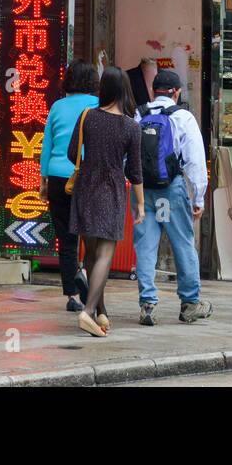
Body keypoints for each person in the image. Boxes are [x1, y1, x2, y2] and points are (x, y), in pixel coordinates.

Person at [70, 67, 144, 337]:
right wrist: (141, 204)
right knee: (105, 253)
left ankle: (101, 311)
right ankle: (88, 312)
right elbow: (135, 172)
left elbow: (71, 153)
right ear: (125, 90)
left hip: (85, 187)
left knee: (90, 253)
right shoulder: (131, 127)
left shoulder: (87, 116)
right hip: (111, 189)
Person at [133, 68, 211, 326]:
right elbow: (195, 162)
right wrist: (199, 198)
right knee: (182, 244)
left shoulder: (139, 114)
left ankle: (148, 305)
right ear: (176, 92)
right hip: (170, 191)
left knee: (146, 246)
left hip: (144, 192)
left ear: (154, 91)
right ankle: (190, 303)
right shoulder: (183, 117)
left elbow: (129, 157)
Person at [39, 61, 97, 312]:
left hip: (57, 177)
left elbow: (47, 146)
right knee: (93, 237)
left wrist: (43, 181)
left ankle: (72, 296)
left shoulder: (57, 106)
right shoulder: (97, 106)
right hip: (88, 176)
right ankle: (85, 276)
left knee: (66, 239)